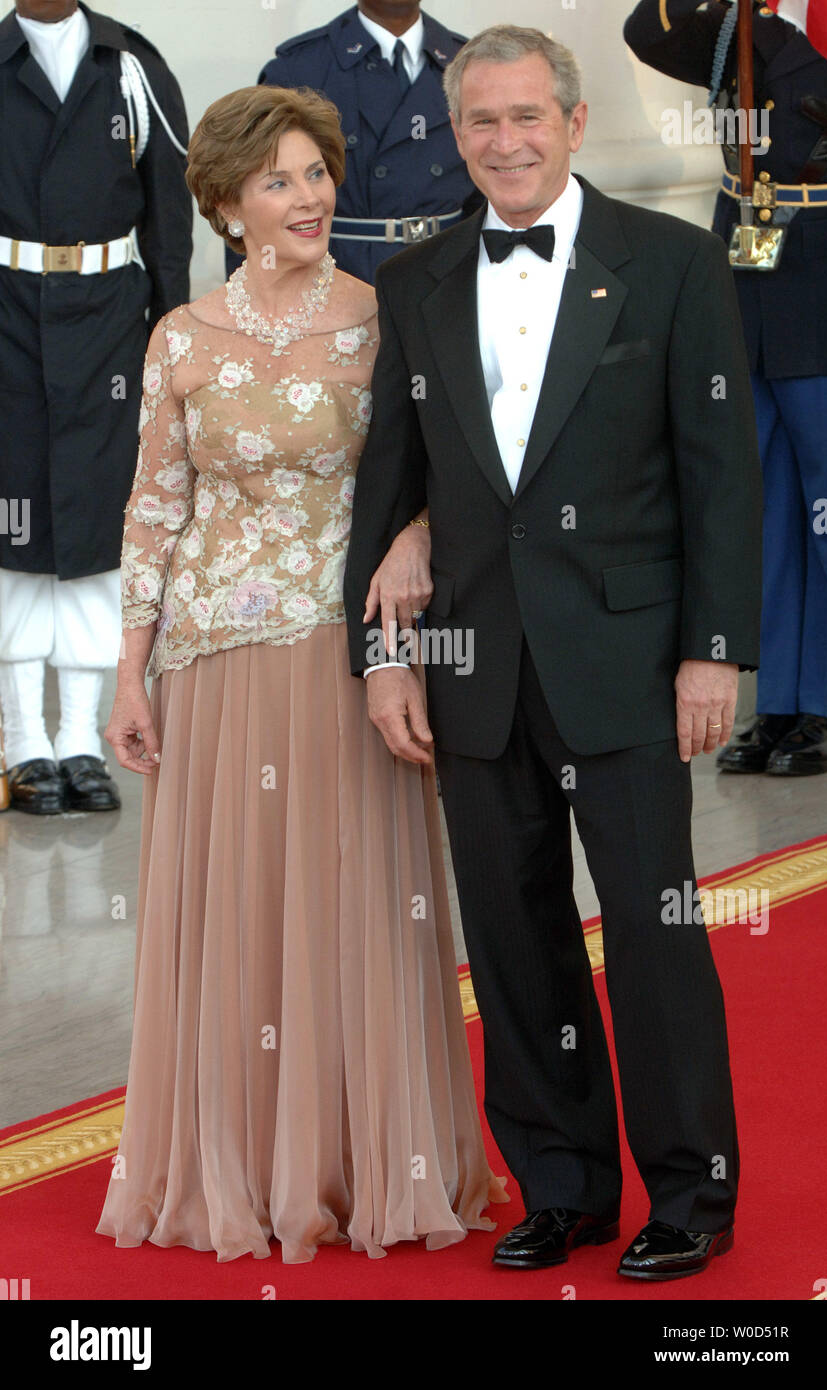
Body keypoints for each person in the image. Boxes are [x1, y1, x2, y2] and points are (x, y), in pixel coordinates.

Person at [343, 24, 763, 1280]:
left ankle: (690, 1197)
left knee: (653, 935)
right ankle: (562, 1186)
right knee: (514, 943)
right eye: (481, 122)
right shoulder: (415, 282)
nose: (505, 142)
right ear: (454, 134)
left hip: (626, 660)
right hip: (474, 662)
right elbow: (390, 487)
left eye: (527, 117)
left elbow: (721, 478)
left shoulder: (674, 263)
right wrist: (381, 656)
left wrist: (713, 651)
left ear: (573, 124)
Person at [95, 83, 507, 1264]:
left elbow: (437, 471)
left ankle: (362, 1161)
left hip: (346, 657)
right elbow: (152, 512)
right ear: (228, 207)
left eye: (316, 172)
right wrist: (129, 674)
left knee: (355, 901)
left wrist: (415, 537)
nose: (309, 196)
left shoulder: (389, 316)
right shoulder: (179, 335)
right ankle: (232, 1162)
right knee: (237, 913)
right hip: (212, 664)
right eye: (278, 179)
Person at [624, 0, 827, 776]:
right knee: (757, 504)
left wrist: (773, 42)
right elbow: (645, 33)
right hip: (745, 271)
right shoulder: (748, 9)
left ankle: (823, 700)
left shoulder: (783, 30)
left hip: (826, 279)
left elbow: (823, 106)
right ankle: (776, 699)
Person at [0, 0, 192, 815]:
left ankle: (81, 739)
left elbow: (170, 216)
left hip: (111, 323)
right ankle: (23, 744)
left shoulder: (134, 66)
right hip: (6, 314)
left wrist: (171, 337)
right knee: (12, 534)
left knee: (95, 531)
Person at [226, 1, 479, 285]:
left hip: (448, 276)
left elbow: (492, 195)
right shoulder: (299, 69)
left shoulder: (471, 63)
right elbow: (253, 203)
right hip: (334, 280)